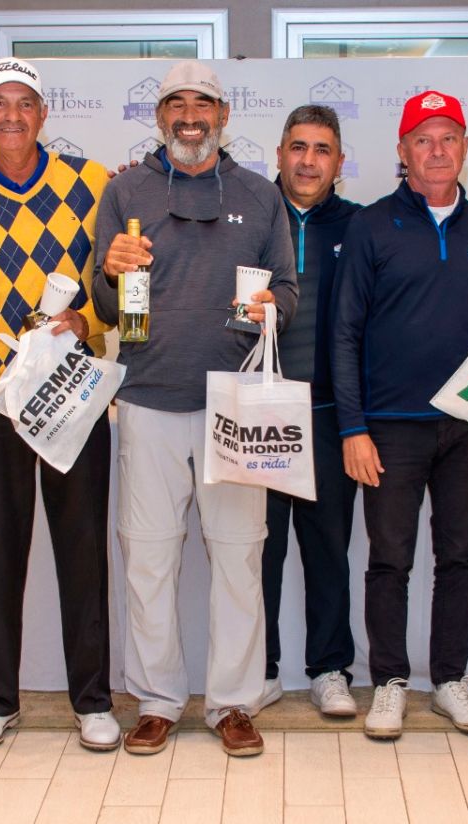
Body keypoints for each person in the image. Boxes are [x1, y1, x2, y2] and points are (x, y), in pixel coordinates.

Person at [92, 59, 298, 757]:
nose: (189, 116)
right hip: (148, 399)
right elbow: (101, 303)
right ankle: (156, 701)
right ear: (160, 117)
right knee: (148, 558)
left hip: (236, 404)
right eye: (176, 104)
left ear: (224, 115)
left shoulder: (259, 196)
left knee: (239, 557)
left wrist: (275, 304)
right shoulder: (123, 191)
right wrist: (112, 272)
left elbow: (290, 291)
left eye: (202, 103)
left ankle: (234, 702)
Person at [0, 58, 119, 753]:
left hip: (72, 393)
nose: (11, 115)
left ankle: (93, 700)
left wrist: (89, 323)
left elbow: (115, 281)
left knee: (82, 550)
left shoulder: (90, 182)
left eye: (24, 103)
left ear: (43, 114)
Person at [332, 90, 468, 740]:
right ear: (402, 152)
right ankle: (390, 681)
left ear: (465, 148)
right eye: (423, 139)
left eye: (448, 138)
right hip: (389, 428)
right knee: (390, 559)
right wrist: (353, 426)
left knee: (459, 555)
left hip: (467, 428)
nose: (437, 150)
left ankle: (450, 679)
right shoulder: (371, 226)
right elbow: (343, 333)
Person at [255, 105, 363, 717]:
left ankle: (329, 669)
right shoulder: (248, 213)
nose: (308, 161)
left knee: (328, 550)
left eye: (322, 149)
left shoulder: (361, 224)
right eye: (298, 147)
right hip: (259, 410)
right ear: (278, 153)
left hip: (326, 412)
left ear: (339, 162)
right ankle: (262, 667)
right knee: (259, 550)